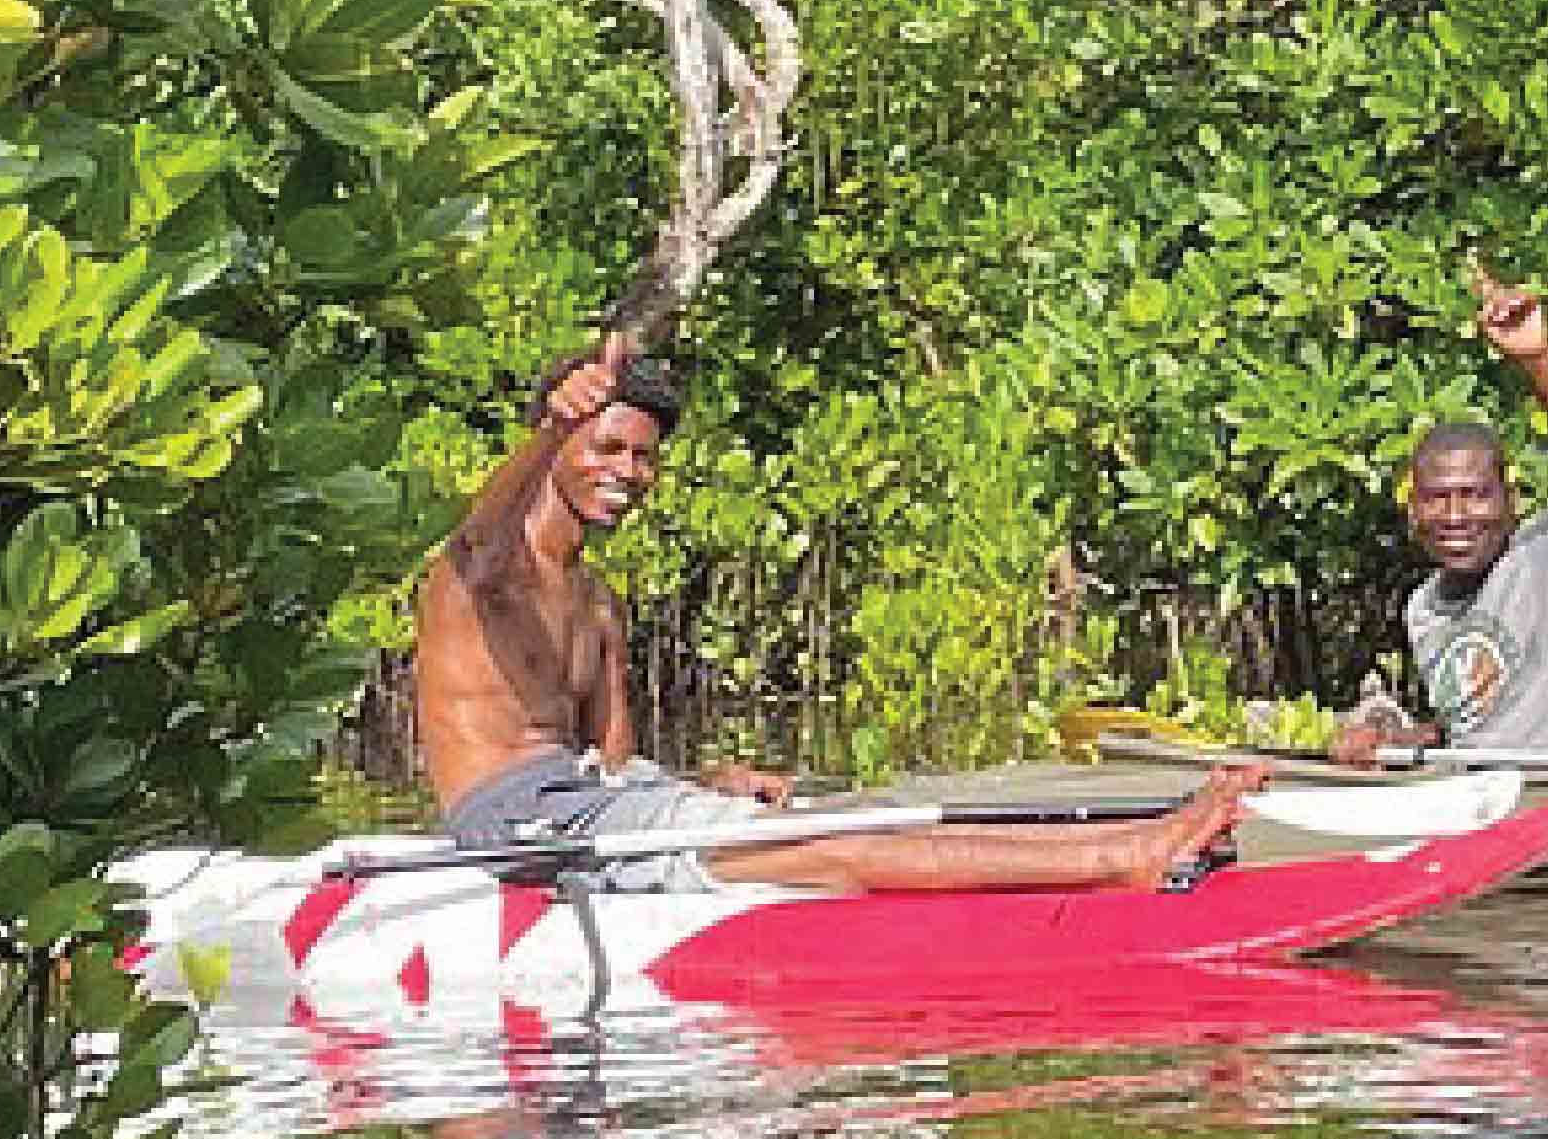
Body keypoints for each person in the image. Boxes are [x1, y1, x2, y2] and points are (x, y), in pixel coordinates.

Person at [415, 345, 1253, 890]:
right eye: (604, 447)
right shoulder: (477, 572)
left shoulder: (599, 604)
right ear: (553, 444)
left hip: (593, 806)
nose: (627, 471)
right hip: (513, 823)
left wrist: (703, 788)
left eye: (642, 456)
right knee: (831, 849)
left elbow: (615, 763)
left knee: (818, 820)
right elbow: (482, 536)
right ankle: (1123, 860)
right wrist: (558, 418)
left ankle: (1140, 838)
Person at [1331, 265, 1548, 766]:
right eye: (1437, 498)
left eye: (1475, 494)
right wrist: (1393, 742)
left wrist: (1538, 360)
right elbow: (1476, 723)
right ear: (1413, 510)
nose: (1456, 515)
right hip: (1488, 809)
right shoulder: (1423, 608)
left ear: (1510, 500)